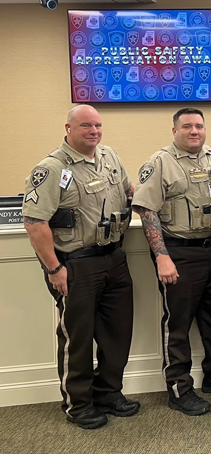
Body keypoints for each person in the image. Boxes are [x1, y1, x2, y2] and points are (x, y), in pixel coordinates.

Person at [22, 105, 138, 429]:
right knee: (79, 338)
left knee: (118, 332)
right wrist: (54, 269)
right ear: (69, 128)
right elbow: (34, 223)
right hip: (75, 265)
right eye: (86, 125)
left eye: (98, 125)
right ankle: (78, 404)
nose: (94, 131)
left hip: (114, 257)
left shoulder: (109, 157)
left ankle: (109, 393)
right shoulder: (51, 168)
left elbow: (130, 192)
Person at [132, 107, 211, 417]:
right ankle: (179, 388)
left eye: (198, 125)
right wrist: (162, 257)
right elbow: (146, 210)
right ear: (175, 131)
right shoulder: (160, 163)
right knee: (178, 325)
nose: (194, 131)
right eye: (187, 126)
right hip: (179, 253)